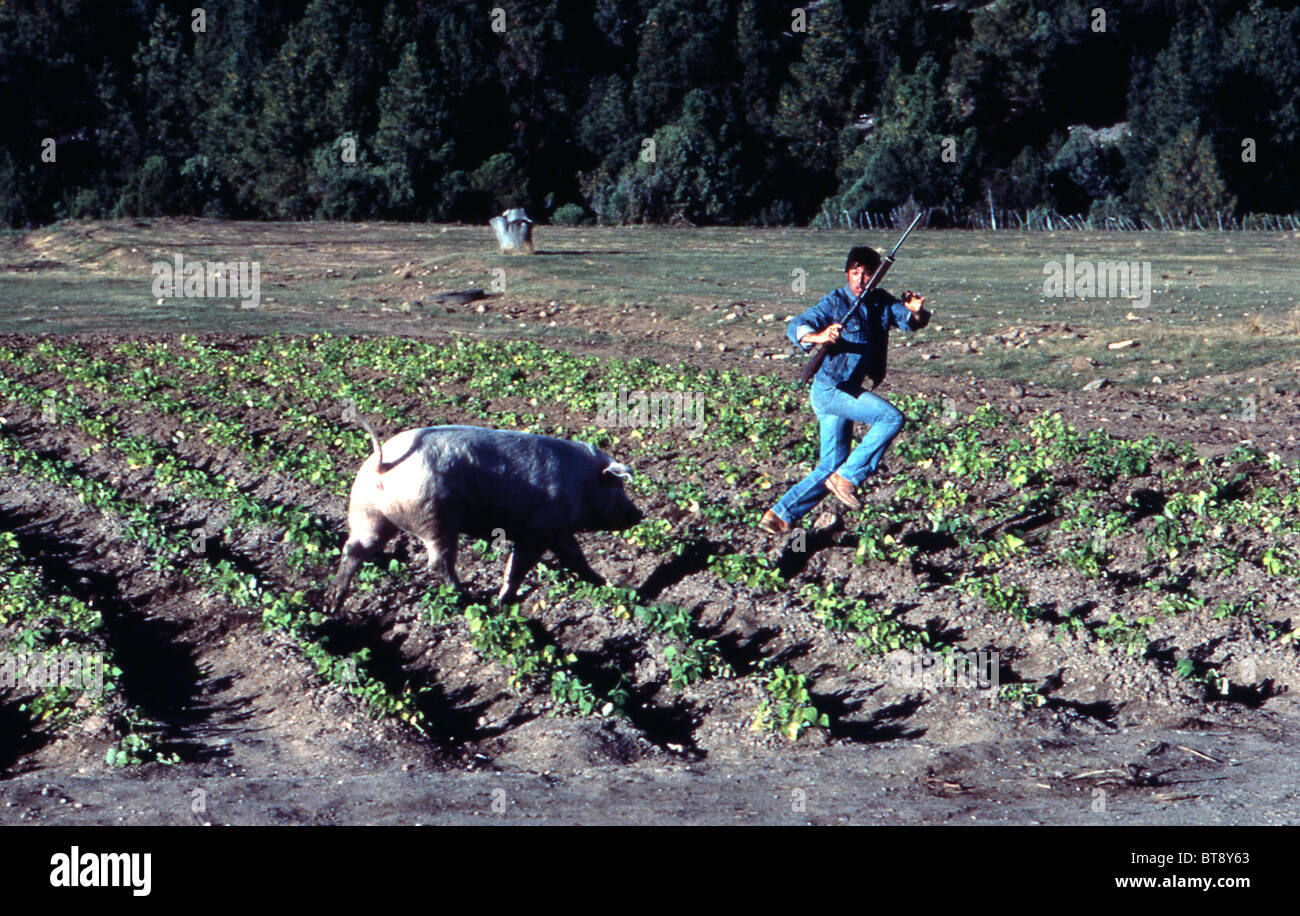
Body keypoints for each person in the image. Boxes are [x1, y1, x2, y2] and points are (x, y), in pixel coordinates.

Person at [760, 245, 930, 535]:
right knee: (890, 419)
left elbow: (908, 320)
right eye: (854, 273)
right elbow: (798, 326)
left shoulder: (880, 302)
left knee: (831, 464)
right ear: (847, 273)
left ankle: (781, 513)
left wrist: (916, 312)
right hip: (830, 390)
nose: (860, 280)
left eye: (866, 274)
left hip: (843, 391)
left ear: (876, 277)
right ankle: (849, 477)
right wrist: (818, 336)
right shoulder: (836, 301)